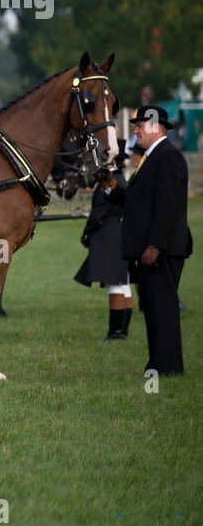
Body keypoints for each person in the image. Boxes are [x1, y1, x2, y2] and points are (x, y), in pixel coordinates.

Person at [102, 105, 192, 377]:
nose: (136, 130)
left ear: (156, 126)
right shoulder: (153, 158)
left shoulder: (168, 157)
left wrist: (155, 245)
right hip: (150, 249)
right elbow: (134, 202)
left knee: (162, 309)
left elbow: (168, 207)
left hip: (161, 250)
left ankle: (168, 367)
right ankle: (159, 363)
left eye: (141, 125)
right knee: (153, 308)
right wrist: (108, 185)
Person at [75, 142, 133, 340]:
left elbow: (99, 212)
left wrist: (86, 233)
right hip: (120, 234)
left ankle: (115, 331)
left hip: (109, 236)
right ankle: (122, 330)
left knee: (114, 285)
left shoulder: (110, 182)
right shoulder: (121, 178)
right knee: (123, 284)